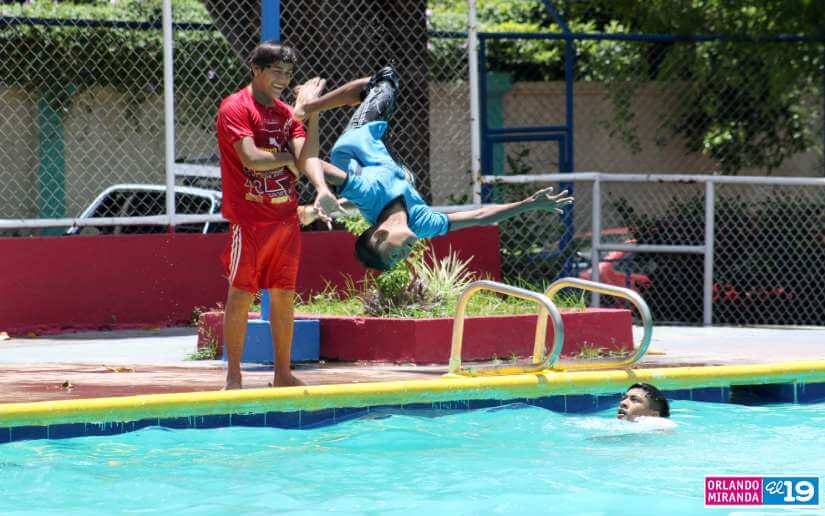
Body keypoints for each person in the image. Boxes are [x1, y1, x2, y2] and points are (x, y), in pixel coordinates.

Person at [294, 65, 574, 271]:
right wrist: (528, 204)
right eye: (398, 261)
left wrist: (322, 189)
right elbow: (480, 216)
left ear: (380, 234)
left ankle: (309, 107)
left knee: (385, 80)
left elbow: (313, 162)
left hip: (359, 143)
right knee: (405, 171)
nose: (404, 255)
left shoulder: (369, 193)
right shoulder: (424, 225)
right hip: (388, 163)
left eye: (393, 255)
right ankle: (318, 115)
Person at [215, 41, 339, 389]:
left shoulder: (288, 114)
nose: (283, 79)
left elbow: (305, 160)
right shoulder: (235, 108)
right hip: (250, 221)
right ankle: (234, 376)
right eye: (276, 71)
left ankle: (282, 374)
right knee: (241, 292)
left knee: (284, 296)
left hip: (285, 221)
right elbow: (252, 158)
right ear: (256, 69)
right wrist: (287, 157)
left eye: (288, 73)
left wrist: (311, 112)